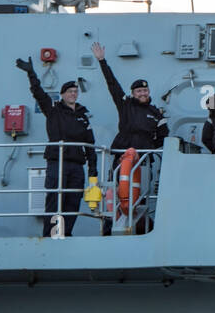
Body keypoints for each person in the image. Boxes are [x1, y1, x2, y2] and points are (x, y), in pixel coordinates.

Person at [16, 56, 97, 237]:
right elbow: (38, 93)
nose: (73, 94)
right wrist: (31, 72)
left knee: (73, 202)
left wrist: (93, 171)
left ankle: (66, 234)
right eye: (69, 91)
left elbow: (90, 144)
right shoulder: (53, 110)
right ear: (62, 95)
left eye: (75, 91)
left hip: (77, 165)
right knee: (54, 201)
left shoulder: (83, 116)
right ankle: (52, 235)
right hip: (57, 163)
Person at [91, 43, 167, 233]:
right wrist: (102, 61)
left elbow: (163, 137)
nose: (143, 93)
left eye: (145, 90)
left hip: (142, 161)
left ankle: (140, 228)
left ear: (149, 92)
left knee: (139, 195)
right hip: (122, 158)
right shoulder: (126, 106)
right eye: (139, 91)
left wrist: (149, 146)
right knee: (116, 194)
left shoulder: (156, 113)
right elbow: (112, 84)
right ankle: (110, 226)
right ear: (133, 93)